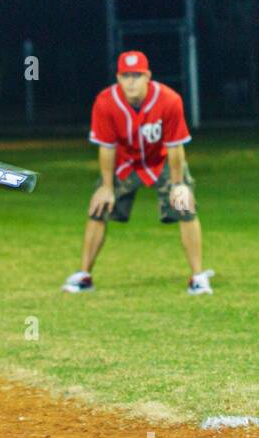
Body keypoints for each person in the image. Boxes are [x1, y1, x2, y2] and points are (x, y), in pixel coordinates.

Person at [61, 50, 213, 296]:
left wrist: (177, 185)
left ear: (148, 77)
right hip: (125, 162)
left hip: (161, 160)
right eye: (126, 75)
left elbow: (175, 147)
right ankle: (84, 276)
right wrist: (107, 187)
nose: (131, 81)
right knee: (98, 208)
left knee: (185, 207)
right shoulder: (106, 101)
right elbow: (107, 148)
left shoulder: (169, 100)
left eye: (137, 75)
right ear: (118, 77)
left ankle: (197, 277)